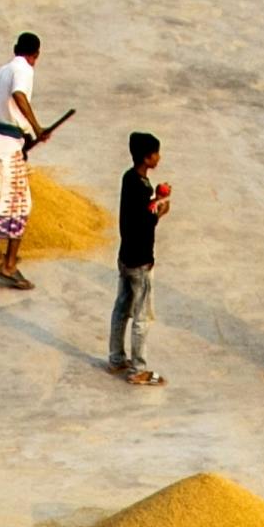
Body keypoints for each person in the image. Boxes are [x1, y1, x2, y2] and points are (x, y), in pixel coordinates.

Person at [0, 34, 64, 292]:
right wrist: (35, 128)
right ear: (35, 55)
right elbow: (20, 95)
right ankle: (9, 266)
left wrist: (2, 132)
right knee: (19, 204)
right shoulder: (23, 69)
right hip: (8, 150)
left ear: (15, 49)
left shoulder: (0, 71)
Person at [110, 133, 170, 386]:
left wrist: (155, 199)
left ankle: (116, 358)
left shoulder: (129, 178)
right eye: (156, 153)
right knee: (142, 315)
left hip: (125, 257)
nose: (159, 157)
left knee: (122, 308)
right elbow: (145, 223)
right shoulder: (142, 187)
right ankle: (138, 369)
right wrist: (161, 210)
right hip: (141, 261)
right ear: (147, 158)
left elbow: (137, 210)